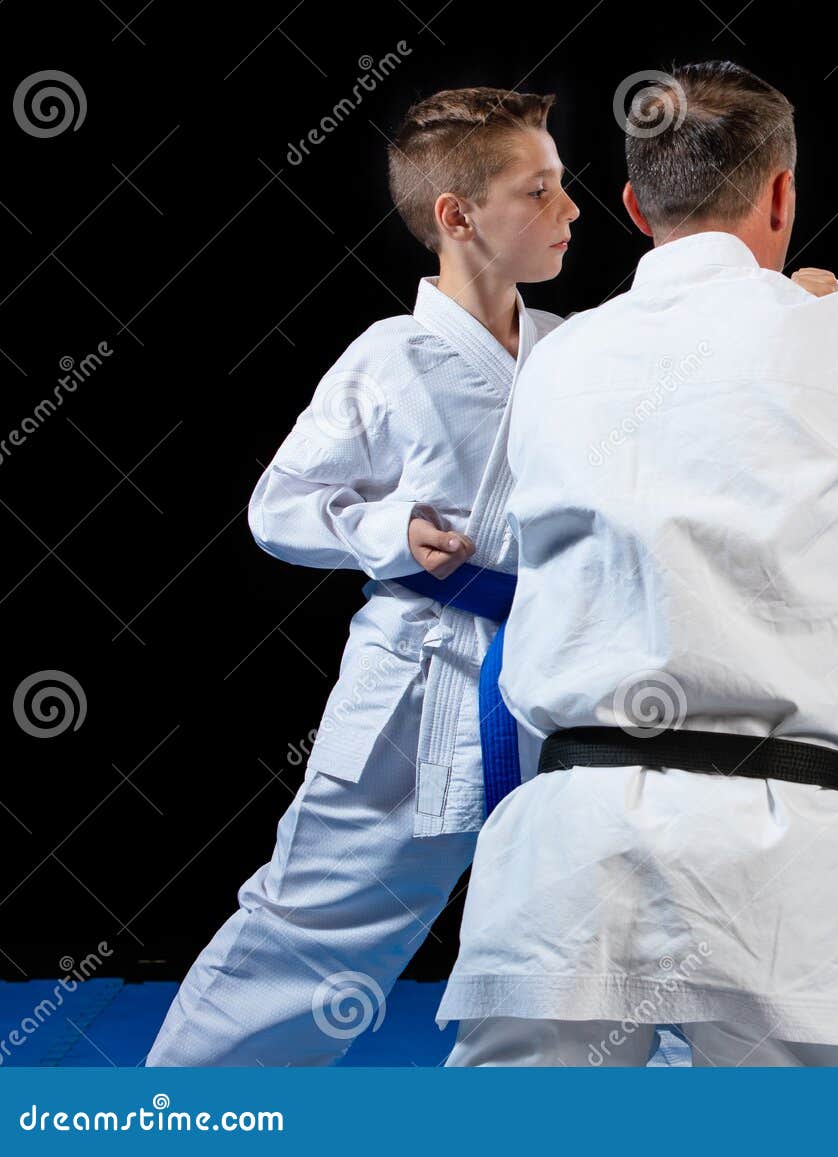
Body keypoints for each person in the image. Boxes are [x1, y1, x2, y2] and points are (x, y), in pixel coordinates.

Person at [435, 60, 838, 1067]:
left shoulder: (559, 359)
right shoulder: (833, 340)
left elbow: (733, 387)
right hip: (775, 857)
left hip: (572, 850)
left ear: (635, 205)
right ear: (781, 191)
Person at [147, 87, 586, 1065]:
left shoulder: (576, 347)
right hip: (421, 682)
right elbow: (277, 506)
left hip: (563, 675)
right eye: (541, 190)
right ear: (457, 215)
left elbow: (711, 332)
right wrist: (387, 528)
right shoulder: (388, 358)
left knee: (609, 945)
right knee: (310, 935)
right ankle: (172, 1117)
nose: (571, 209)